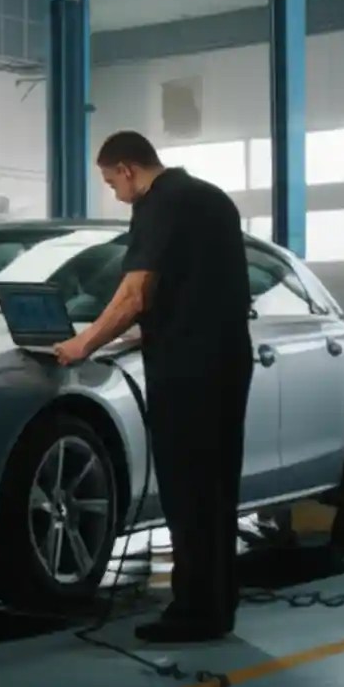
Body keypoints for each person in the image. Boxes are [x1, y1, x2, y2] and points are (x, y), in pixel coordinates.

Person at [53, 130, 254, 643]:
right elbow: (196, 289)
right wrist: (145, 334)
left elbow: (134, 291)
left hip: (188, 370)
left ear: (127, 169)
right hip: (226, 361)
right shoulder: (212, 199)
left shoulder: (159, 204)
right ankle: (217, 605)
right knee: (215, 488)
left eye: (110, 182)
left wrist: (85, 344)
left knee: (186, 489)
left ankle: (192, 614)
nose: (115, 194)